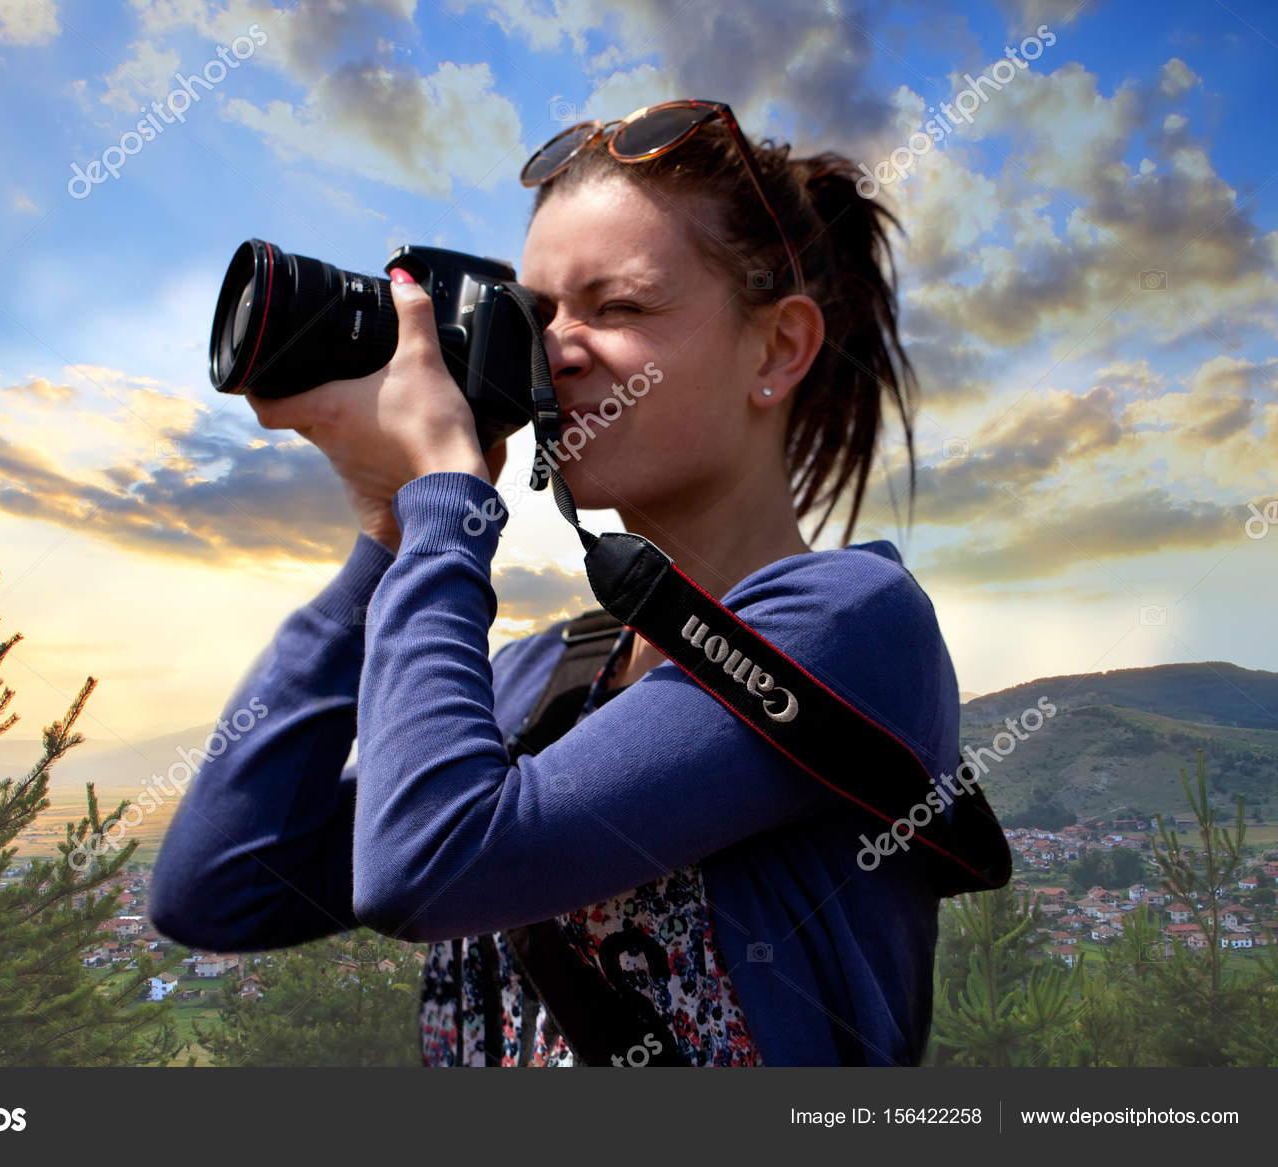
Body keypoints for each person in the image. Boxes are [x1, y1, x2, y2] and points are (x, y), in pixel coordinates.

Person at [151, 100, 960, 1066]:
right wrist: (386, 539)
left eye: (617, 307)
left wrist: (443, 502)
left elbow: (429, 866)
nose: (558, 350)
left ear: (777, 348)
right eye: (537, 316)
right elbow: (219, 886)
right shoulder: (541, 678)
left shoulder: (852, 629)